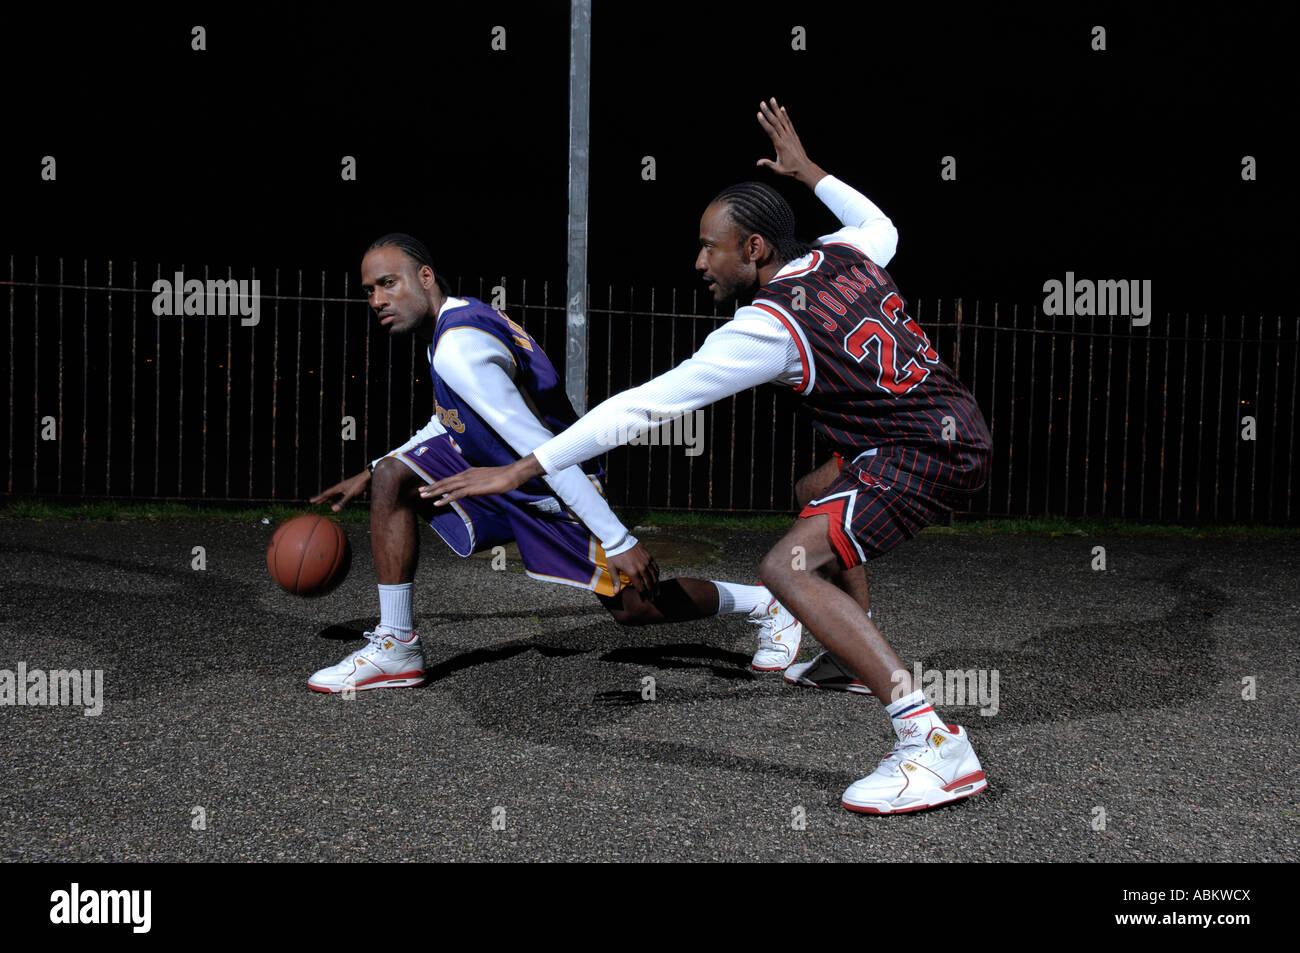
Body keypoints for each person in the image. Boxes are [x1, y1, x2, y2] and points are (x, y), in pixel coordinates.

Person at [421, 99, 994, 815]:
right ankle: (845, 655)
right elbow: (885, 222)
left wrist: (522, 468)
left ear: (753, 249)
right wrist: (808, 170)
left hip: (914, 452)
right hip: (950, 423)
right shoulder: (846, 252)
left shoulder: (766, 326)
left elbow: (640, 407)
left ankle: (932, 742)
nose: (699, 261)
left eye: (709, 246)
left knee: (785, 566)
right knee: (814, 485)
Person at [307, 234, 803, 693]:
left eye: (388, 284)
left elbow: (544, 449)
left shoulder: (458, 347)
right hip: (501, 469)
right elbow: (453, 418)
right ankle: (397, 646)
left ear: (426, 277)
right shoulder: (463, 318)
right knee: (394, 476)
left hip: (548, 480)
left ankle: (768, 602)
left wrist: (618, 539)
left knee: (634, 608)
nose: (376, 300)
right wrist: (378, 466)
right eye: (370, 290)